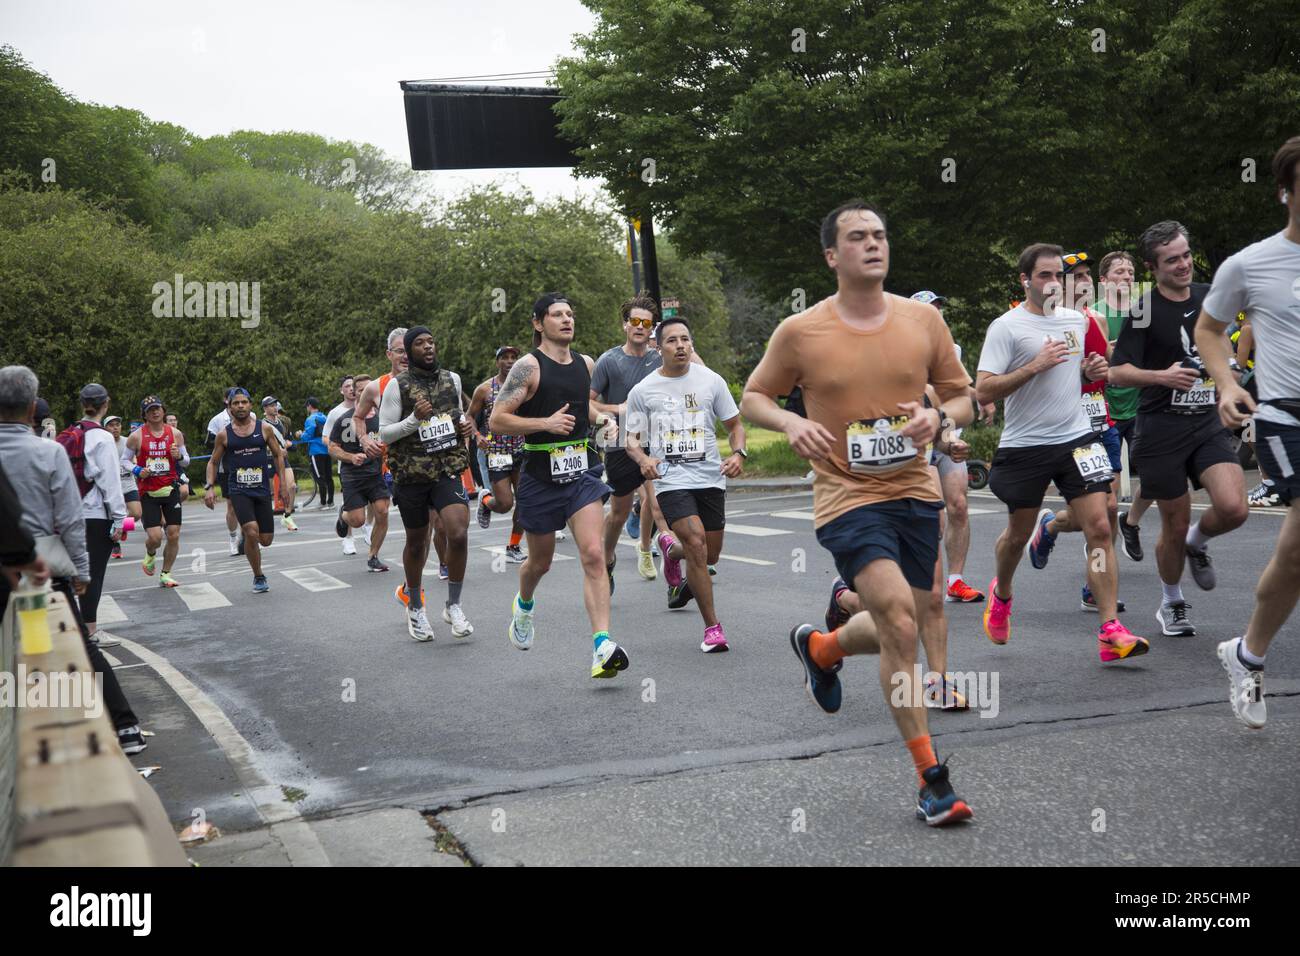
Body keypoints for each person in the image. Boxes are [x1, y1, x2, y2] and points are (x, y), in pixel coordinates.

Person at [741, 200, 976, 825]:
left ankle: (821, 649)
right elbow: (754, 395)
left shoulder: (922, 321)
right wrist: (791, 420)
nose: (873, 244)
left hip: (916, 492)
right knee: (901, 619)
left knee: (907, 621)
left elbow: (963, 397)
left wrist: (941, 417)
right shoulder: (802, 331)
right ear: (831, 255)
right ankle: (932, 780)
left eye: (880, 235)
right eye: (857, 237)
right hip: (847, 496)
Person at [975, 243, 1145, 660]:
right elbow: (984, 387)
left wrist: (1093, 370)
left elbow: (1089, 367)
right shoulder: (1007, 327)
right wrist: (1033, 366)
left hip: (1076, 438)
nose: (1053, 284)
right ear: (1025, 280)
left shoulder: (1076, 319)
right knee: (1016, 536)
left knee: (1102, 527)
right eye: (1045, 276)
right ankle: (1003, 593)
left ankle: (1109, 628)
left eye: (1058, 277)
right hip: (1025, 444)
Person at [1194, 135, 1300, 728]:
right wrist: (1228, 384)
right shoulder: (1251, 264)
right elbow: (1211, 330)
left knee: (1294, 553)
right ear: (1286, 191)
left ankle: (1246, 653)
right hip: (1286, 413)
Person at [1109, 221, 1249, 636]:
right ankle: (1171, 601)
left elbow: (1225, 337)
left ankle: (1197, 541)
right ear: (1154, 267)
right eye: (1173, 260)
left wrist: (1232, 372)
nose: (1184, 265)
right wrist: (1161, 377)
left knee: (1234, 507)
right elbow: (1117, 372)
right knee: (1172, 521)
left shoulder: (1210, 295)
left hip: (1207, 422)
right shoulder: (1144, 310)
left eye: (1186, 255)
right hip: (1160, 430)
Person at [0, 366, 145, 753]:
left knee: (11, 655)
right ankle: (125, 726)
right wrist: (80, 570)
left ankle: (20, 738)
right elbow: (69, 519)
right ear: (32, 408)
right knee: (76, 644)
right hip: (41, 570)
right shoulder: (47, 452)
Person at [489, 293, 630, 679]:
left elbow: (583, 407)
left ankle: (602, 645)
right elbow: (498, 421)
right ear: (539, 323)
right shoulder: (527, 367)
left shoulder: (586, 363)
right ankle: (524, 604)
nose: (567, 320)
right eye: (557, 315)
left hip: (582, 471)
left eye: (570, 313)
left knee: (593, 554)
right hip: (539, 476)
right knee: (541, 562)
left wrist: (603, 421)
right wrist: (544, 424)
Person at [625, 317, 745, 650]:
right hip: (671, 479)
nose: (680, 346)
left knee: (711, 554)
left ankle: (670, 550)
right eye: (672, 341)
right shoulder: (643, 390)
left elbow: (735, 426)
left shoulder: (711, 381)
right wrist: (644, 460)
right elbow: (631, 439)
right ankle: (713, 629)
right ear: (658, 347)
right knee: (695, 542)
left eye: (685, 339)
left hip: (710, 477)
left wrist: (739, 454)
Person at [1031, 253, 1129, 613]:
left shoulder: (1096, 319)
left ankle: (1094, 585)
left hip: (1101, 419)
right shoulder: (1046, 325)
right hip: (1069, 428)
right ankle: (1051, 526)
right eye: (1078, 277)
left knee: (1112, 507)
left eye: (1088, 276)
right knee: (1097, 511)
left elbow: (1107, 370)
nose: (1085, 282)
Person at [377, 327, 475, 642]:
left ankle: (454, 605)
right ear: (408, 351)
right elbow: (384, 434)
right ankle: (416, 606)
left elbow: (457, 417)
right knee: (417, 543)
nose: (428, 347)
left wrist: (466, 426)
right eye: (420, 343)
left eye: (431, 341)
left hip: (446, 469)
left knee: (457, 533)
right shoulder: (397, 386)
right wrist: (413, 421)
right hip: (412, 475)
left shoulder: (453, 380)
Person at [910, 290, 992, 603]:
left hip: (948, 433)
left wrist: (980, 398)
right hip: (921, 440)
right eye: (931, 310)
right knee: (936, 516)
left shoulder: (951, 349)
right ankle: (923, 587)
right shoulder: (902, 350)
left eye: (939, 309)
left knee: (958, 505)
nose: (937, 315)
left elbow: (956, 387)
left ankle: (955, 581)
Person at [590, 295, 672, 589]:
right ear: (626, 324)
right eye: (634, 321)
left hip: (657, 441)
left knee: (657, 500)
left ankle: (657, 556)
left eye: (646, 323)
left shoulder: (659, 356)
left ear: (653, 327)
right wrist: (617, 409)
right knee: (620, 511)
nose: (640, 327)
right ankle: (607, 555)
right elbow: (588, 404)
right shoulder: (609, 361)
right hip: (620, 442)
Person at [204, 388, 289, 592]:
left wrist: (283, 485)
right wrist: (209, 486)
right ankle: (258, 576)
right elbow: (213, 462)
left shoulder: (264, 428)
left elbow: (278, 455)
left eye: (244, 402)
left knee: (265, 540)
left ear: (250, 405)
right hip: (238, 490)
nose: (240, 406)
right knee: (252, 531)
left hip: (261, 489)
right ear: (230, 407)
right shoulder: (224, 434)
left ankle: (250, 541)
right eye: (236, 403)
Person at [467, 346, 527, 562]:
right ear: (497, 362)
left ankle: (513, 546)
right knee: (505, 504)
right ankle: (486, 501)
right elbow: (470, 416)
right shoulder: (484, 389)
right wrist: (477, 436)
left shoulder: (525, 386)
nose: (509, 362)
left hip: (521, 450)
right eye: (505, 358)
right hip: (497, 452)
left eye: (513, 358)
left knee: (525, 500)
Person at [123, 395, 185, 588]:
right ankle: (150, 553)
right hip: (148, 492)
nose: (155, 412)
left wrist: (180, 456)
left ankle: (166, 573)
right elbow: (124, 461)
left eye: (158, 408)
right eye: (150, 410)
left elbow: (186, 460)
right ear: (145, 415)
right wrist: (138, 470)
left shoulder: (175, 433)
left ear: (163, 410)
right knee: (156, 538)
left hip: (170, 489)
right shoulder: (137, 436)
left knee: (173, 534)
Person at [330, 373, 390, 572]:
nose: (366, 393)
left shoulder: (384, 417)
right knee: (357, 521)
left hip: (376, 474)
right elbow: (332, 447)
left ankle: (373, 556)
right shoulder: (345, 420)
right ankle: (343, 516)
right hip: (353, 475)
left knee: (382, 511)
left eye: (369, 389)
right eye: (361, 390)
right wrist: (351, 457)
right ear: (354, 394)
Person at [104, 414, 141, 559]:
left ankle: (121, 527)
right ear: (105, 428)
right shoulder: (103, 443)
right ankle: (115, 544)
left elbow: (135, 459)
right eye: (111, 425)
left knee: (137, 514)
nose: (115, 428)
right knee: (109, 518)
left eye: (117, 425)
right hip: (111, 485)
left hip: (128, 482)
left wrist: (136, 468)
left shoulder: (127, 441)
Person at [261, 397, 299, 530]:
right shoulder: (262, 425)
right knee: (267, 493)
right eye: (271, 405)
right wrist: (277, 449)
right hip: (268, 460)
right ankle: (262, 521)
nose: (275, 407)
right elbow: (260, 445)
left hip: (282, 459)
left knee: (292, 486)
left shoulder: (282, 423)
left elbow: (289, 441)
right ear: (265, 409)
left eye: (275, 405)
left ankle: (287, 516)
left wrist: (288, 445)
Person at [301, 395, 332, 509]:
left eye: (306, 406)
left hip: (315, 450)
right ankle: (331, 502)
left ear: (309, 406)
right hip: (327, 449)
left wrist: (301, 435)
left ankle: (323, 503)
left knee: (320, 477)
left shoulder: (310, 419)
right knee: (329, 477)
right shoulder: (325, 417)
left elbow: (307, 436)